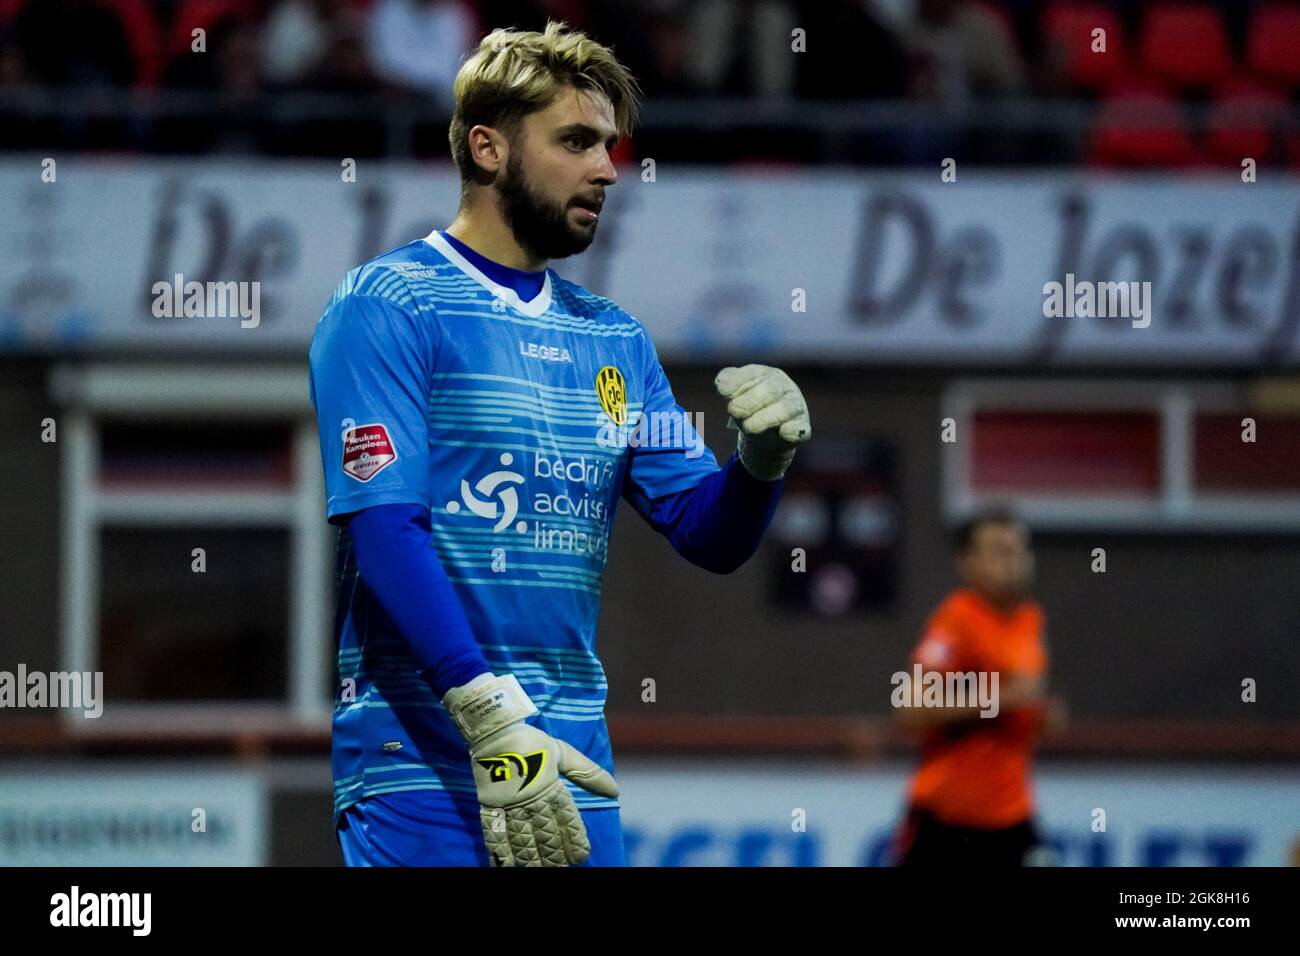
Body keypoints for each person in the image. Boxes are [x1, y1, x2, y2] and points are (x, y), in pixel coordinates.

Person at [308, 21, 811, 866]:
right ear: (488, 148)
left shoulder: (616, 339)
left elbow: (707, 531)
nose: (608, 169)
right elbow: (385, 529)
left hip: (574, 766)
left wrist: (760, 463)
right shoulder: (388, 303)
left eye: (610, 146)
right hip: (421, 764)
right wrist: (489, 718)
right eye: (576, 141)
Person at [892, 508, 1056, 867]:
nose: (1013, 561)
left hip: (1012, 812)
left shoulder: (1030, 621)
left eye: (1019, 550)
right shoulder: (957, 620)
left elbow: (1025, 703)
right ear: (968, 563)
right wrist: (1000, 698)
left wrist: (1042, 715)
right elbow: (911, 705)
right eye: (999, 550)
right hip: (950, 818)